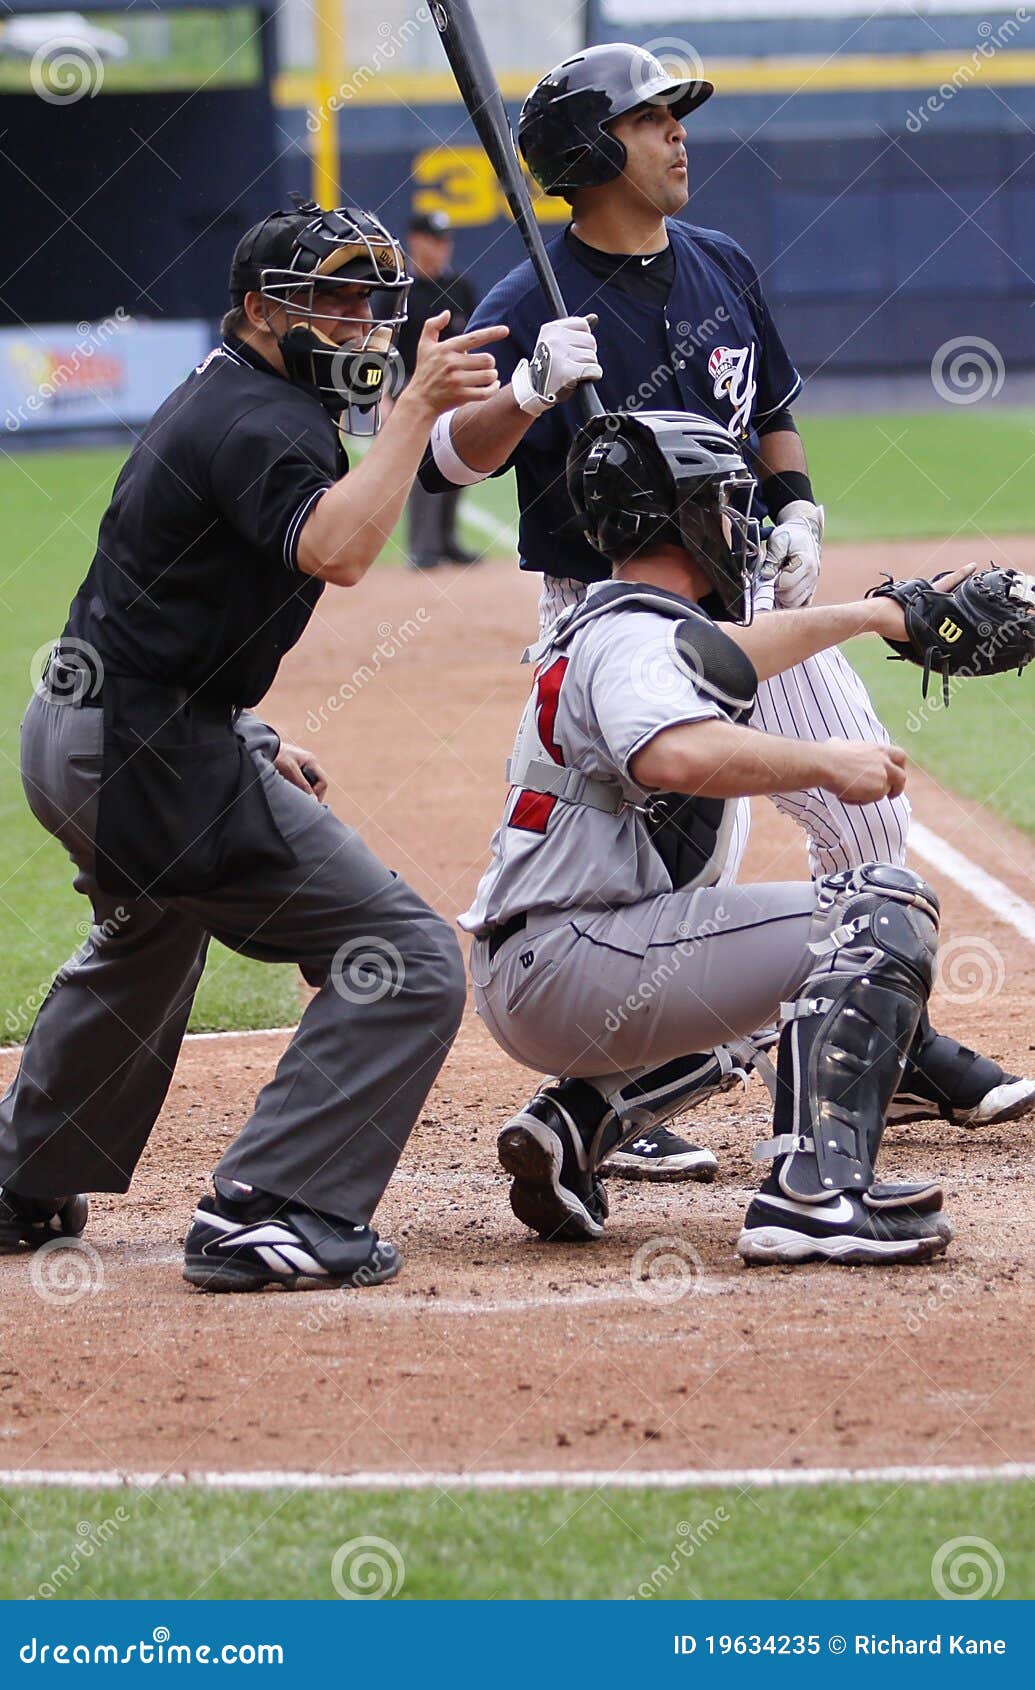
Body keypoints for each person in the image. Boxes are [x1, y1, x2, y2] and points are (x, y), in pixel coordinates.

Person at [425, 43, 1035, 1180]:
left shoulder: (719, 262)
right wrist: (523, 393)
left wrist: (798, 511)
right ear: (597, 151)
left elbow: (777, 412)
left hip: (753, 585)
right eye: (654, 120)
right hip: (621, 602)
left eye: (675, 118)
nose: (679, 135)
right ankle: (623, 1096)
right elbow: (442, 467)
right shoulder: (529, 301)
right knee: (678, 861)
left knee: (866, 810)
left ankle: (881, 1043)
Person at [0, 199, 506, 1292]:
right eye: (328, 298)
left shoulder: (242, 397)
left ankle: (19, 1173)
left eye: (369, 300)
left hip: (88, 725)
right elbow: (337, 547)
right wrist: (416, 404)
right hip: (143, 741)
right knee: (407, 959)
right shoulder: (261, 422)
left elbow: (173, 598)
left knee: (154, 931)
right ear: (256, 313)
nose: (358, 322)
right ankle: (274, 1206)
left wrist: (245, 730)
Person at [461, 409, 981, 1264]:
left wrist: (874, 615)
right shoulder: (633, 639)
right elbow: (671, 752)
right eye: (726, 502)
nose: (741, 524)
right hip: (573, 960)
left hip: (557, 964)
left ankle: (574, 1124)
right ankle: (813, 1198)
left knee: (785, 988)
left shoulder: (627, 622)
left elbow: (737, 650)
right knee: (879, 913)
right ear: (684, 517)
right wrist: (824, 761)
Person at [396, 210, 480, 570]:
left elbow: (474, 337)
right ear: (415, 242)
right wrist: (387, 394)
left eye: (445, 240)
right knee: (423, 464)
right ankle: (421, 547)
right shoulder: (400, 291)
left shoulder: (460, 285)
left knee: (457, 461)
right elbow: (384, 347)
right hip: (414, 390)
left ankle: (446, 540)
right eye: (434, 240)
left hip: (456, 388)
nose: (442, 248)